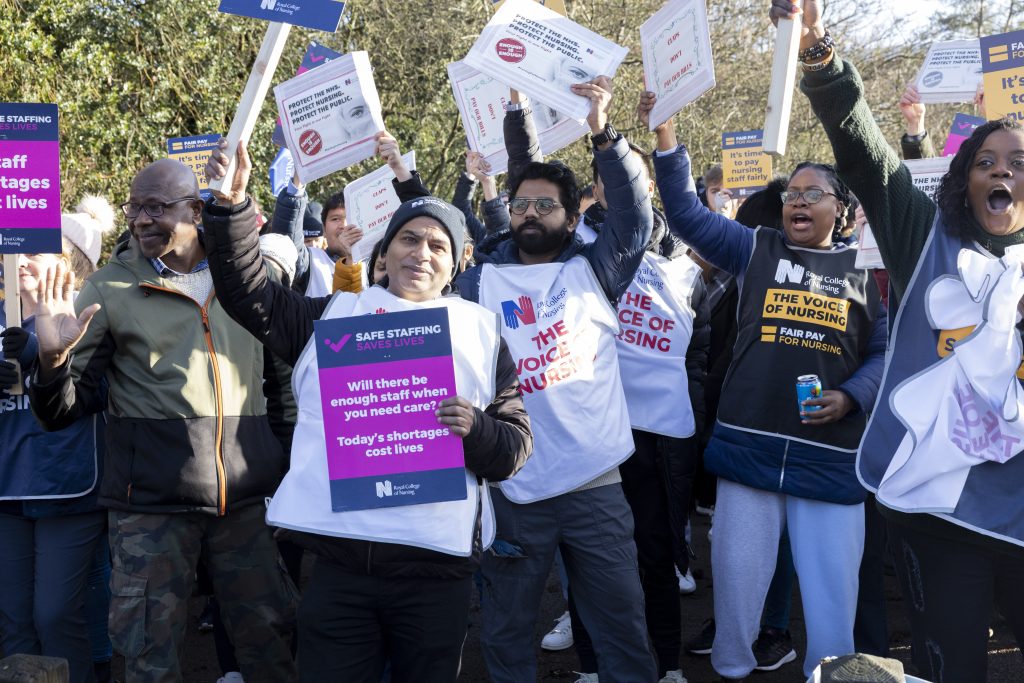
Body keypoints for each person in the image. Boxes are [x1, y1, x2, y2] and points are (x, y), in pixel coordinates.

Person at [202, 140, 532, 683]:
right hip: (342, 571)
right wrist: (232, 210)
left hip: (436, 572)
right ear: (386, 248)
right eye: (409, 238)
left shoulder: (481, 335)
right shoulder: (333, 318)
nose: (421, 253)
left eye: (437, 244)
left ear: (456, 262)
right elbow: (249, 293)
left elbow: (515, 448)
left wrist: (477, 429)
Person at [772, 1, 1024, 680]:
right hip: (936, 516)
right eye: (986, 161)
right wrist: (818, 50)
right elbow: (866, 156)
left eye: (1019, 161)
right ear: (964, 179)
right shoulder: (924, 238)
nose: (1002, 172)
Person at [641, 87, 887, 681]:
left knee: (832, 596)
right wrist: (666, 136)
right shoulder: (756, 248)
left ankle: (829, 671)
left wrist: (851, 395)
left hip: (829, 459)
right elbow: (687, 216)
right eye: (791, 194)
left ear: (842, 210)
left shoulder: (867, 271)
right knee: (736, 587)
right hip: (749, 450)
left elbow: (885, 354)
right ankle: (731, 667)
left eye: (813, 194)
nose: (797, 201)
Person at [26, 158, 298, 683]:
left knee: (270, 645)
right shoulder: (107, 290)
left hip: (245, 505)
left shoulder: (245, 279)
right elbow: (62, 411)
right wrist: (52, 362)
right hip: (149, 512)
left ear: (196, 210)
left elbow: (281, 388)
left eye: (156, 207)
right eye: (134, 208)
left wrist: (285, 473)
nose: (140, 220)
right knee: (150, 658)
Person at [456, 76, 660, 683]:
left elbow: (635, 216)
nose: (530, 213)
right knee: (506, 628)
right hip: (513, 487)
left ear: (574, 219)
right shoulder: (475, 283)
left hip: (594, 484)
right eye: (521, 204)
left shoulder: (596, 271)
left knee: (621, 625)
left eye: (546, 206)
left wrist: (603, 132)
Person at [0, 196, 115, 683]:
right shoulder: (1, 317)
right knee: (13, 622)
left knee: (54, 617)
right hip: (7, 490)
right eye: (15, 250)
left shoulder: (88, 314)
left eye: (36, 250)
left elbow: (99, 393)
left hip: (68, 487)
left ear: (67, 262)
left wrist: (43, 356)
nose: (22, 260)